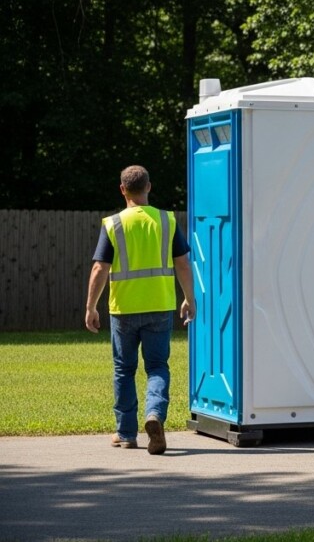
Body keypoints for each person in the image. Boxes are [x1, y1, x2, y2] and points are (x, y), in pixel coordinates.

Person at [84, 166, 195, 455]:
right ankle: (154, 414)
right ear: (149, 187)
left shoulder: (114, 224)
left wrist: (91, 306)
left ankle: (126, 434)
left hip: (124, 309)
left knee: (124, 370)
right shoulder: (167, 220)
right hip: (159, 306)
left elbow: (99, 268)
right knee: (157, 366)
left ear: (122, 189)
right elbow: (183, 264)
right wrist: (189, 298)